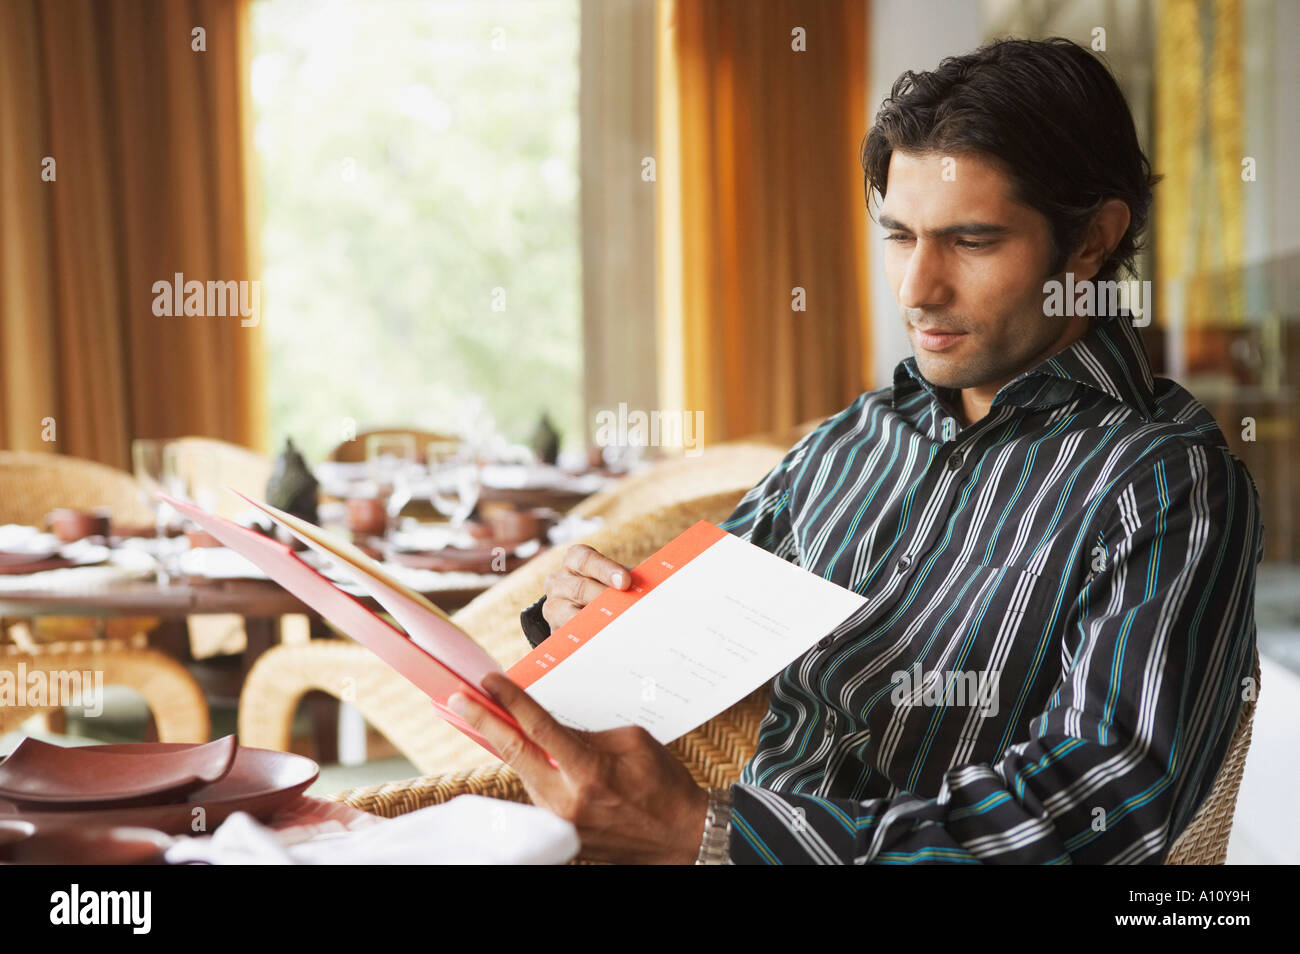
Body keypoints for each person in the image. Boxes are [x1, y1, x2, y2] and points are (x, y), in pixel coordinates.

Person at [447, 37, 1263, 864]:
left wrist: (709, 837)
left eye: (972, 242)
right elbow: (685, 634)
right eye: (900, 237)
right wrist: (589, 617)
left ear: (1091, 241)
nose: (917, 289)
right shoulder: (855, 437)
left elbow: (1093, 813)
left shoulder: (1165, 484)